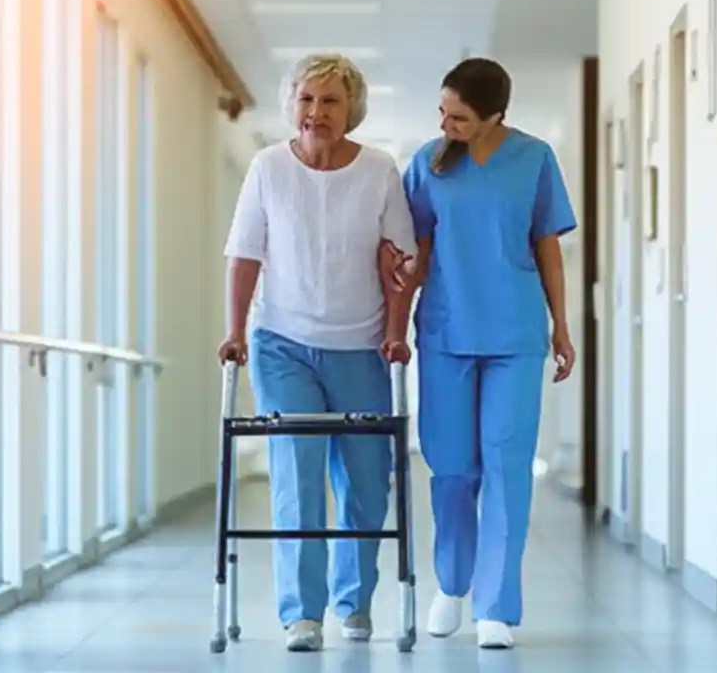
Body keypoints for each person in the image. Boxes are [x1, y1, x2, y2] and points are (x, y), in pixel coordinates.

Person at [218, 53, 417, 652]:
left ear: (350, 109)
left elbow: (400, 264)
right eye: (307, 99)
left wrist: (396, 332)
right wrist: (234, 331)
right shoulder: (268, 168)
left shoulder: (379, 170)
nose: (316, 112)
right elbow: (245, 254)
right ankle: (300, 613)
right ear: (292, 105)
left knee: (364, 483)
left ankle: (353, 602)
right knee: (296, 477)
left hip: (361, 345)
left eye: (330, 101)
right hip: (284, 344)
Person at [390, 57, 577, 650]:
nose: (446, 123)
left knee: (506, 466)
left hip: (516, 334)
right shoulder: (427, 163)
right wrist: (394, 324)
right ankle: (453, 584)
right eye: (442, 112)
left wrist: (562, 326)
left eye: (460, 117)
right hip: (446, 331)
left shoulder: (534, 159)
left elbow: (547, 246)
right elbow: (414, 254)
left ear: (496, 115)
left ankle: (496, 603)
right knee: (451, 469)